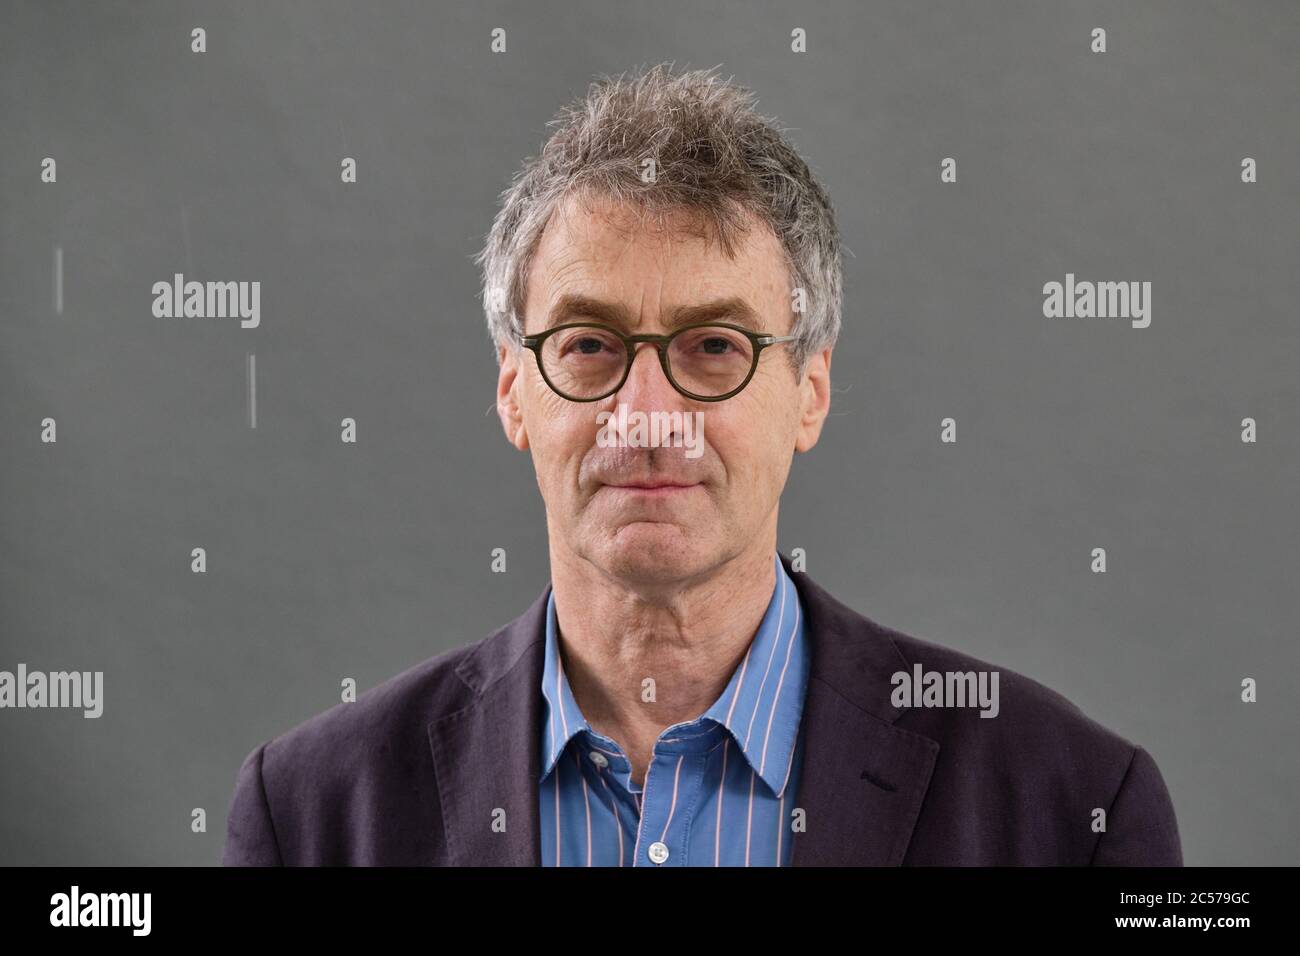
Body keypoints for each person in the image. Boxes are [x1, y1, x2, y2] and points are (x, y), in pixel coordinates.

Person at [223, 63, 1181, 866]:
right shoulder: (311, 819)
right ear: (515, 390)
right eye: (590, 345)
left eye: (715, 346)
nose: (648, 420)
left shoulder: (1070, 808)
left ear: (811, 391)